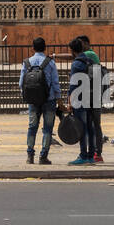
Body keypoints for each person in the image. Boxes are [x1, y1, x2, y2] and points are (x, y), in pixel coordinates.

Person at [20, 37, 61, 164]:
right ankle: (43, 156)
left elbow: (21, 83)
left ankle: (30, 155)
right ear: (45, 48)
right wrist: (59, 99)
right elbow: (55, 83)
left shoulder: (27, 62)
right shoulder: (50, 62)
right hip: (49, 100)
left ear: (32, 48)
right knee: (48, 129)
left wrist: (27, 95)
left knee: (32, 127)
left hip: (32, 101)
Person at [66, 37, 96, 165]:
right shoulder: (90, 60)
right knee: (90, 127)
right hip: (91, 97)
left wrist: (70, 102)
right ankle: (91, 155)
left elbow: (73, 86)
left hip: (80, 99)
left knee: (82, 128)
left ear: (72, 51)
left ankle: (83, 155)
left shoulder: (76, 64)